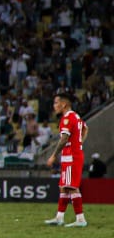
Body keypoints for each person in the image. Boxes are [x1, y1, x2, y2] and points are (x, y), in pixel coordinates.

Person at [45, 93, 89, 227]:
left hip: (71, 157)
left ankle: (80, 219)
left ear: (63, 104)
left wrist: (53, 155)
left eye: (56, 103)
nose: (54, 106)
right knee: (63, 187)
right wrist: (79, 143)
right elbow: (86, 128)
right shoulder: (76, 116)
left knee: (71, 187)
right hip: (71, 156)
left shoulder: (67, 118)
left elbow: (64, 139)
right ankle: (59, 218)